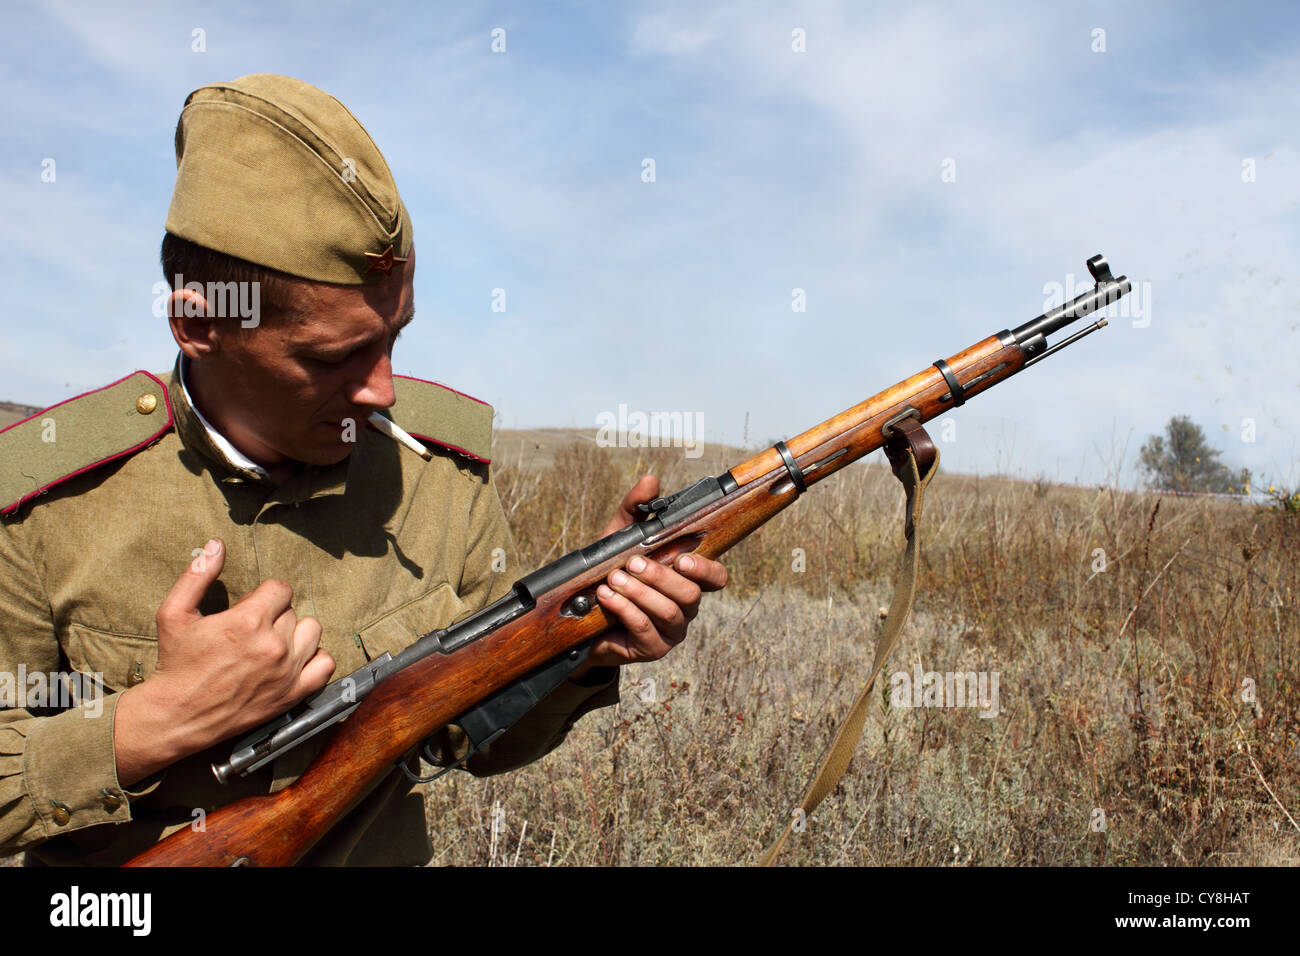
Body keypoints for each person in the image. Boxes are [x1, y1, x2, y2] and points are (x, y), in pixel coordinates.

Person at [0, 74, 727, 866]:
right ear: (198, 321)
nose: (381, 389)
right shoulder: (45, 506)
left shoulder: (439, 480)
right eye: (334, 356)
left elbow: (476, 739)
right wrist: (148, 725)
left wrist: (581, 641)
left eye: (395, 337)